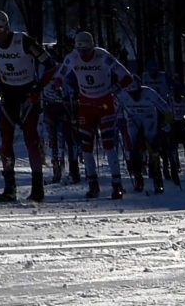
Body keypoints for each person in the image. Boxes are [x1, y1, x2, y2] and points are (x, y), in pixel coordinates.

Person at [49, 31, 135, 199]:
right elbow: (59, 75)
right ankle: (92, 184)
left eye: (87, 51)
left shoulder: (102, 56)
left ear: (92, 47)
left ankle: (116, 184)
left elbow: (126, 76)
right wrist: (57, 85)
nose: (84, 55)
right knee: (86, 145)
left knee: (108, 143)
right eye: (81, 52)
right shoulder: (73, 57)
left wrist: (116, 88)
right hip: (86, 104)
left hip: (105, 103)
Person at [0, 9, 48, 204]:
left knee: (30, 139)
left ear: (7, 27)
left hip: (26, 94)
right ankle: (10, 188)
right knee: (5, 141)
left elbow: (50, 64)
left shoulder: (23, 41)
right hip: (7, 94)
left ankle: (37, 188)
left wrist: (38, 88)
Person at [117, 72, 168, 195]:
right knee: (134, 150)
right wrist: (119, 123)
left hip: (149, 119)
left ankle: (158, 181)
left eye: (136, 93)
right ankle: (138, 179)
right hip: (133, 120)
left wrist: (167, 122)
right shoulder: (123, 95)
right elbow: (117, 110)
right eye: (132, 94)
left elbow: (165, 107)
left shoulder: (149, 93)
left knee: (153, 150)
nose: (134, 96)